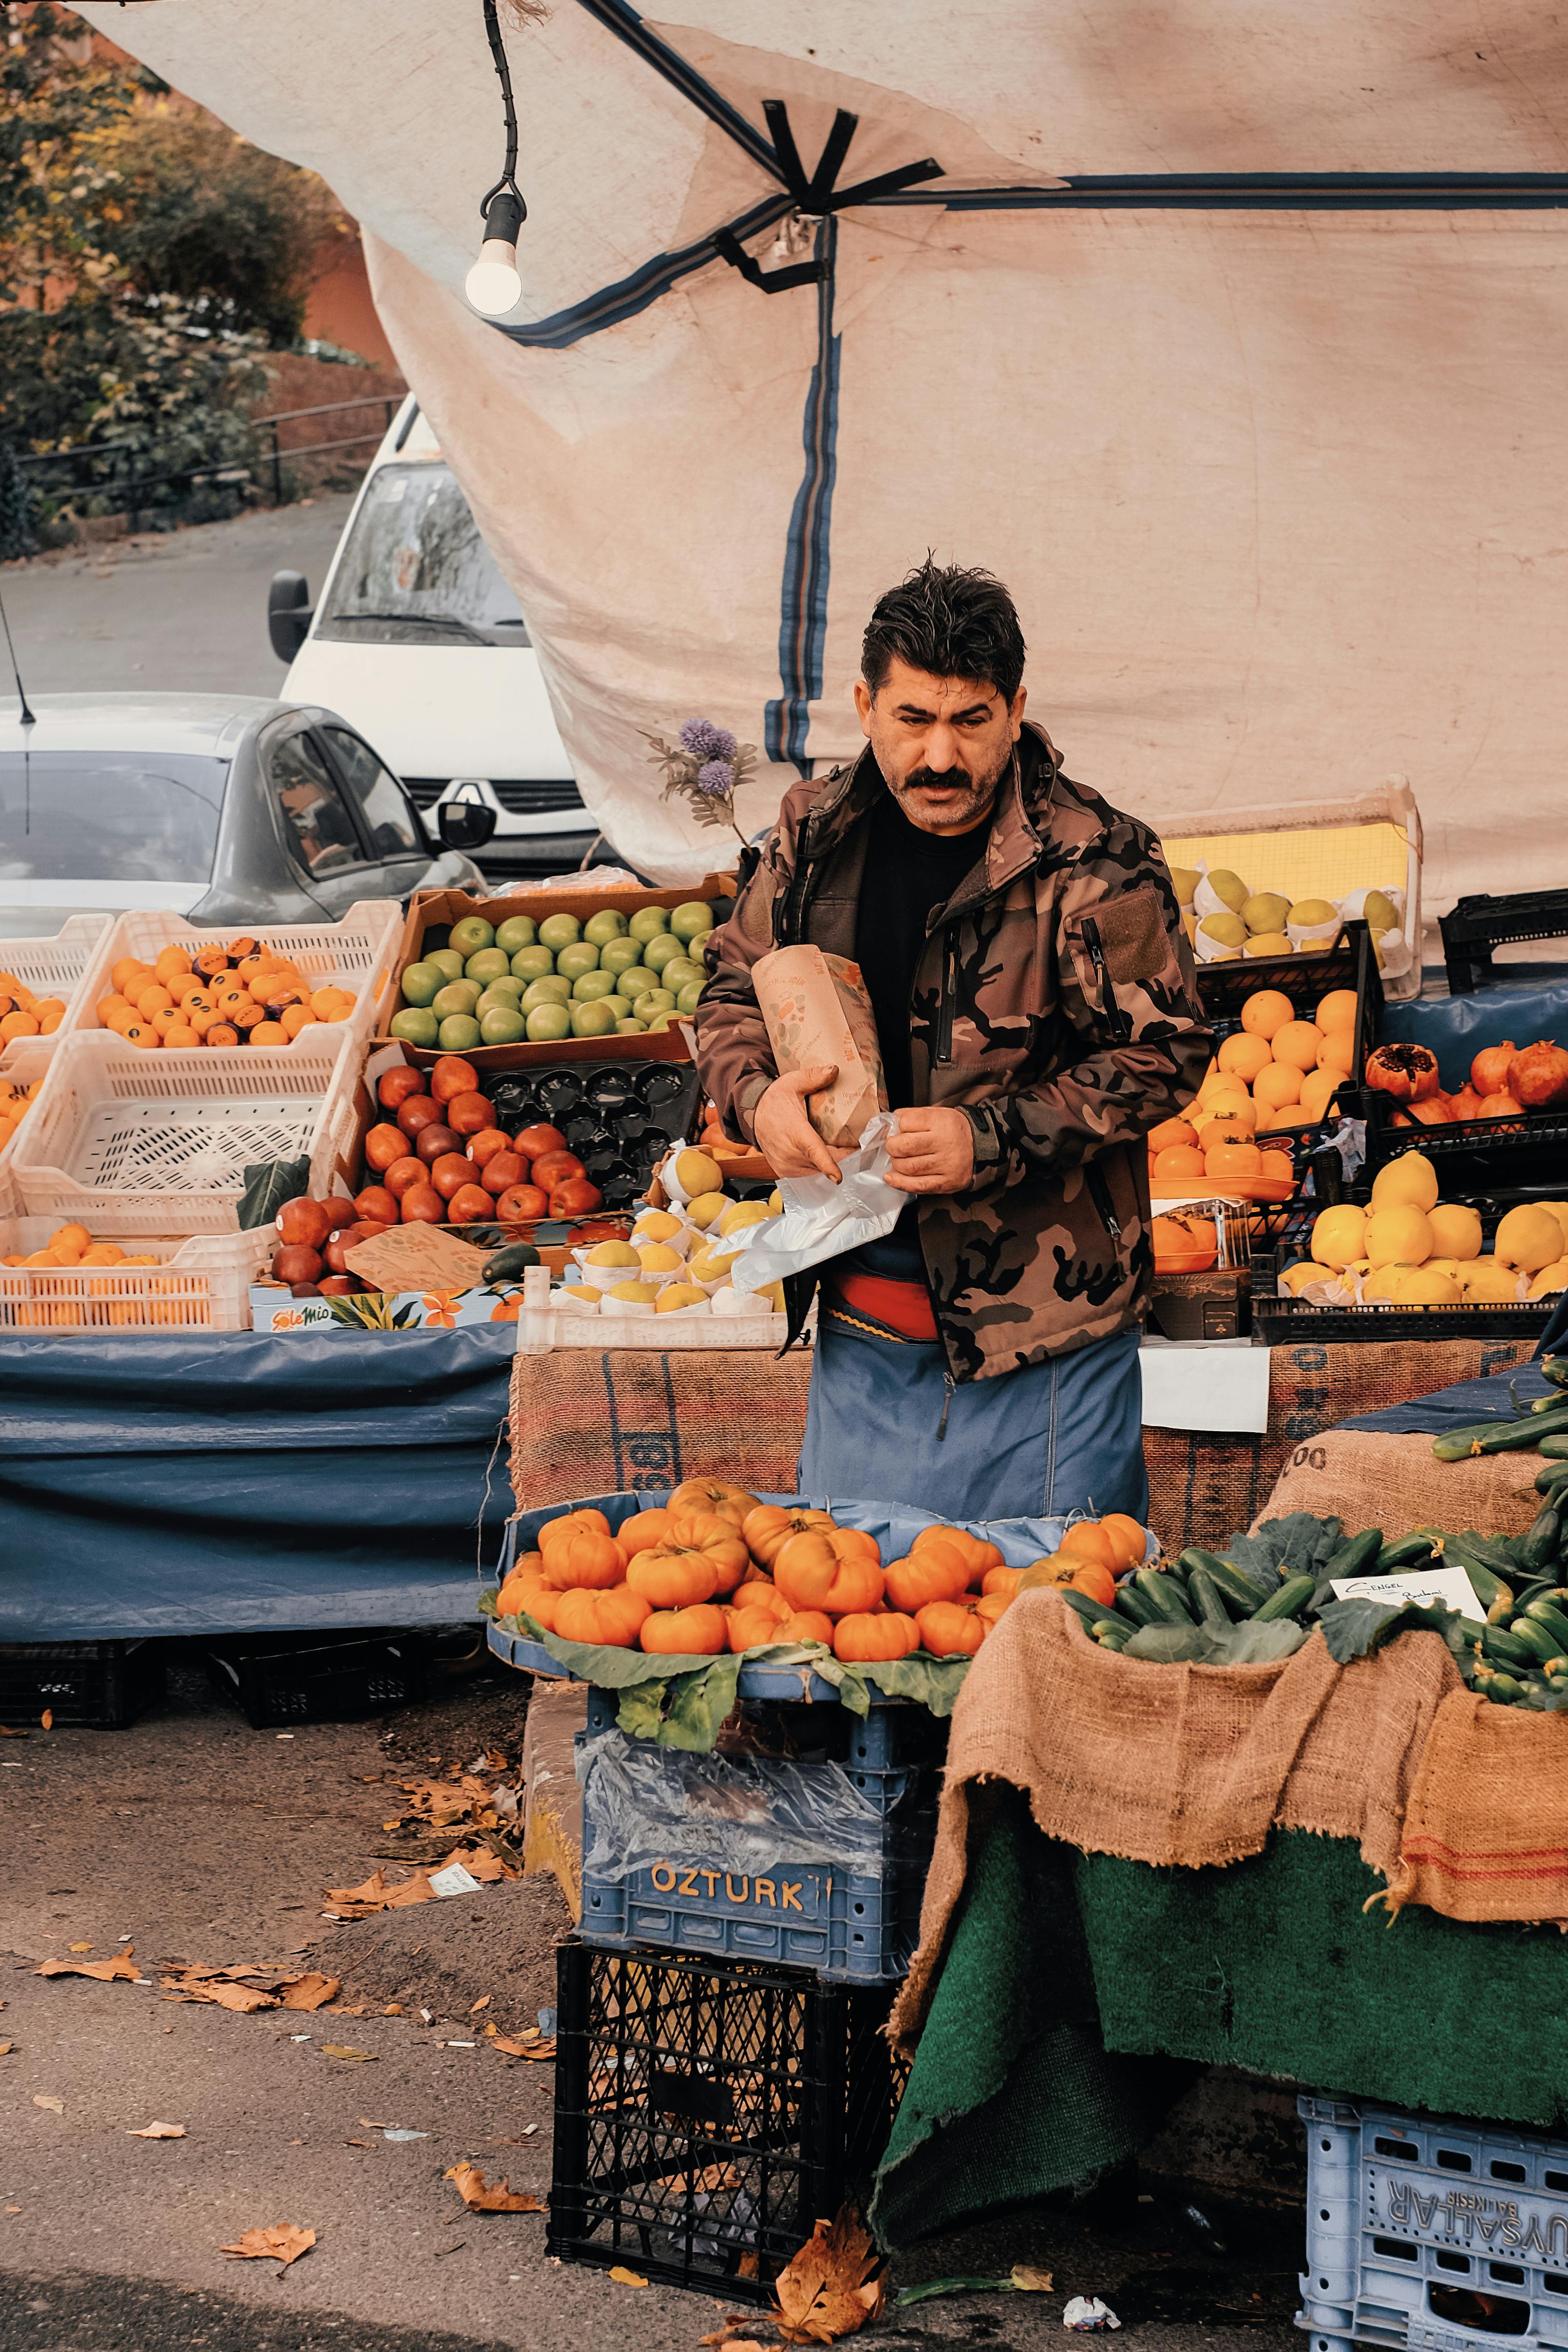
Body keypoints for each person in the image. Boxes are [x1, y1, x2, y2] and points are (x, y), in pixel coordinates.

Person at [693, 559, 1212, 1523]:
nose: (940, 757)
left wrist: (993, 1138)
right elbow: (729, 989)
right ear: (864, 705)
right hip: (862, 1322)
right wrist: (754, 1095)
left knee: (1051, 1628)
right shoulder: (811, 834)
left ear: (1015, 709)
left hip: (1046, 1336)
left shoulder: (1099, 857)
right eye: (912, 719)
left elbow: (1166, 1053)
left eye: (970, 721)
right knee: (857, 1629)